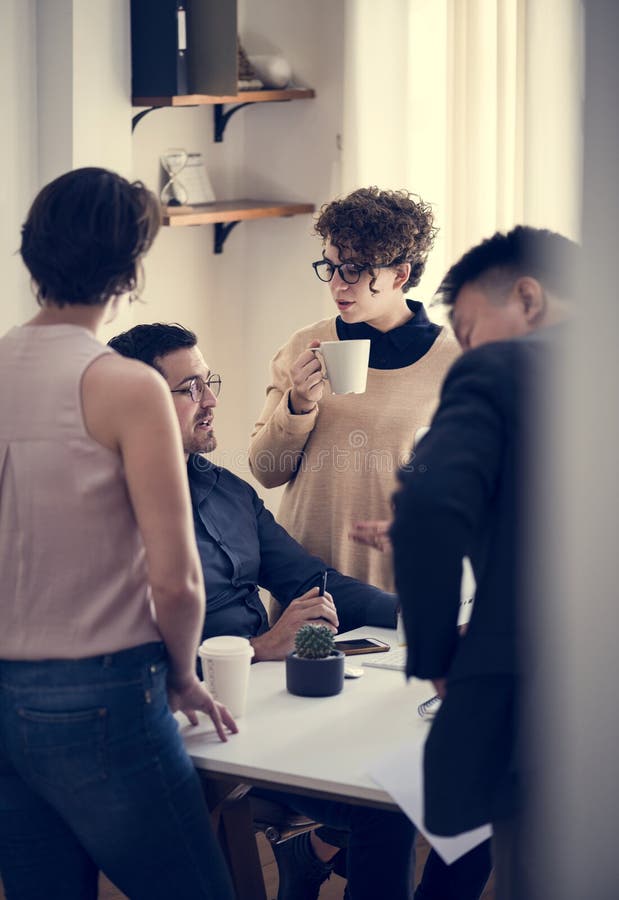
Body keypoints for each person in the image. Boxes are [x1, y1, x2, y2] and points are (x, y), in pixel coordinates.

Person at [109, 321, 492, 900]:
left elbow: (313, 578)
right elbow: (120, 657)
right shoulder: (104, 515)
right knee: (383, 808)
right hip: (196, 726)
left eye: (207, 381)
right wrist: (261, 648)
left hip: (271, 704)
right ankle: (303, 856)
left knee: (464, 783)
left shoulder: (228, 491)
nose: (212, 399)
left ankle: (312, 859)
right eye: (190, 388)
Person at [0, 168, 237, 900]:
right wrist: (182, 674)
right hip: (104, 691)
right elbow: (177, 577)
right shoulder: (127, 386)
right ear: (130, 270)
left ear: (31, 253)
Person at [390, 226, 577, 899]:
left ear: (526, 297)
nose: (463, 348)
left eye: (466, 329)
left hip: (541, 710)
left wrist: (440, 654)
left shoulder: (499, 371)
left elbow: (428, 508)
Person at [248, 187, 461, 592]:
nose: (337, 284)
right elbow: (266, 471)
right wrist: (298, 404)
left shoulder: (454, 361)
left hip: (401, 579)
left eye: (355, 270)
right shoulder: (303, 345)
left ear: (400, 274)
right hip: (308, 576)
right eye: (330, 266)